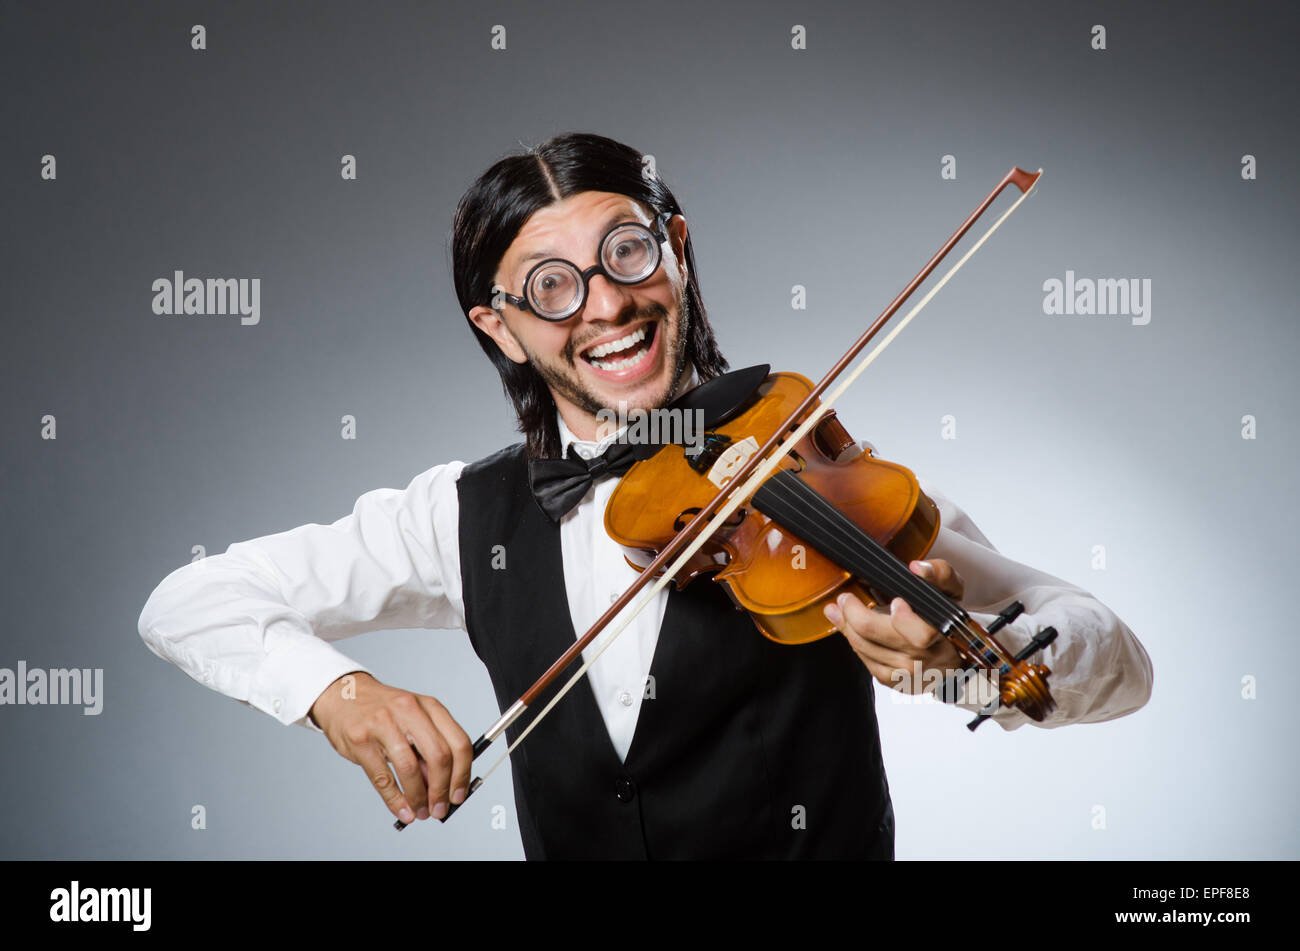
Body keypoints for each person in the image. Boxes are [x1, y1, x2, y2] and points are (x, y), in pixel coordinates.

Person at [137, 131, 1152, 860]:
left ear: (674, 247)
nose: (608, 304)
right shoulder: (460, 517)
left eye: (627, 253)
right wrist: (339, 695)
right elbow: (187, 603)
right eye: (550, 286)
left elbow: (1110, 650)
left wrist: (964, 673)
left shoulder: (815, 467)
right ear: (501, 330)